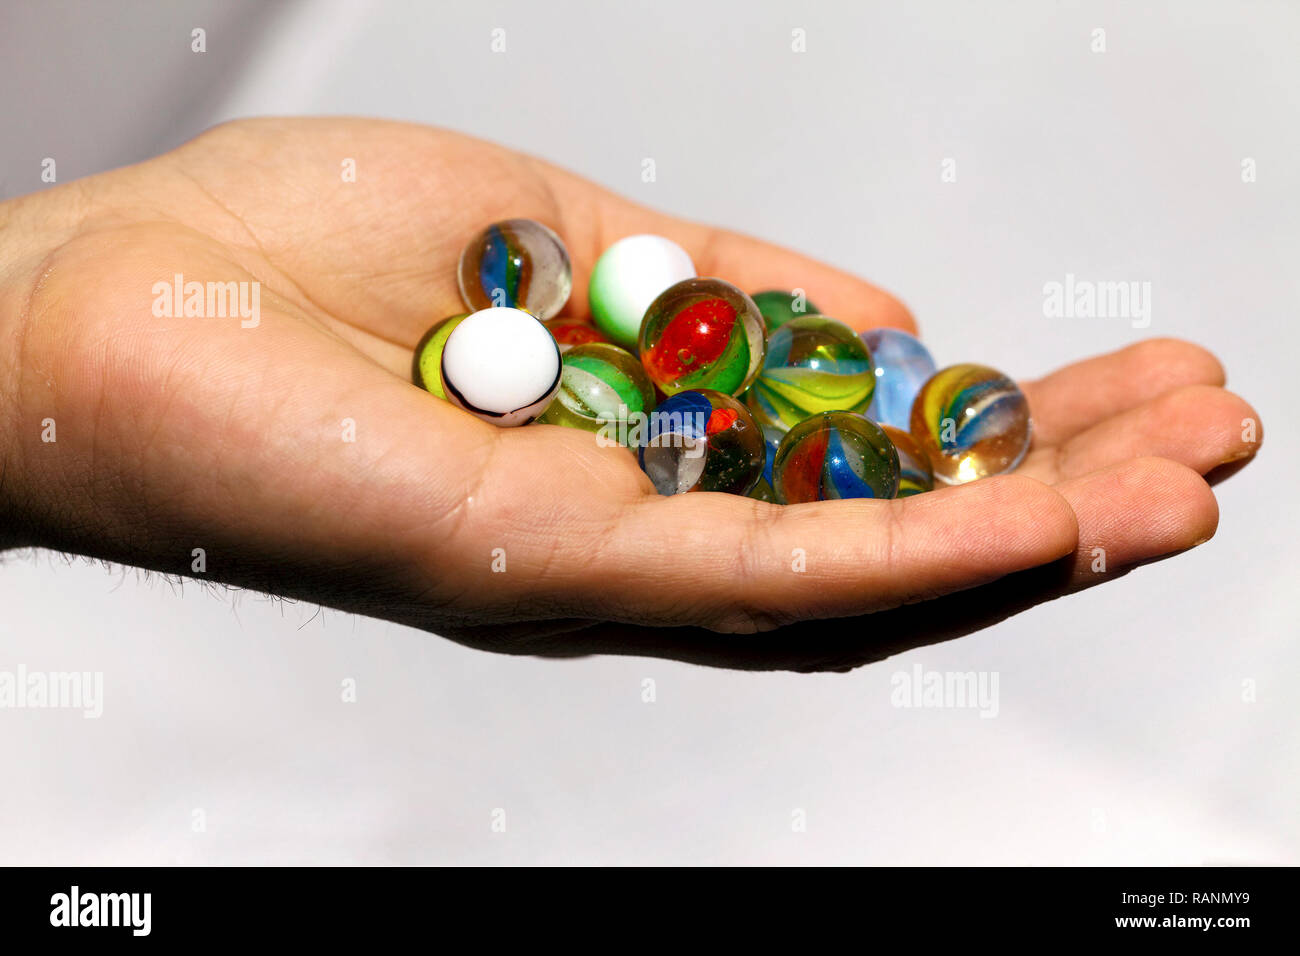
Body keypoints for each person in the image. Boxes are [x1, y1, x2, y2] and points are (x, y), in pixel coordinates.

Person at [0, 118, 1261, 663]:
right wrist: (42, 334)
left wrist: (43, 318)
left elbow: (748, 385)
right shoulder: (589, 344)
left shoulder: (761, 381)